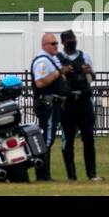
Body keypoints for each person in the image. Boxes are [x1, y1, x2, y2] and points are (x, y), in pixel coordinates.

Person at [57, 30, 100, 181]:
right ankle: (71, 175)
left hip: (84, 101)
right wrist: (62, 71)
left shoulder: (84, 56)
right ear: (63, 42)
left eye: (73, 38)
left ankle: (92, 173)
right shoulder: (58, 59)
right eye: (69, 39)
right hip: (68, 102)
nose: (72, 41)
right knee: (68, 140)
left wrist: (90, 72)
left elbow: (91, 78)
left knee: (88, 139)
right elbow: (56, 78)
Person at [30, 32, 67, 181]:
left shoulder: (52, 60)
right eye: (53, 44)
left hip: (52, 103)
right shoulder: (42, 61)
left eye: (57, 43)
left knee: (47, 138)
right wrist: (58, 74)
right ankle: (43, 175)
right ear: (44, 45)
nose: (56, 46)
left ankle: (44, 174)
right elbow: (40, 82)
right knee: (47, 139)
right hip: (47, 104)